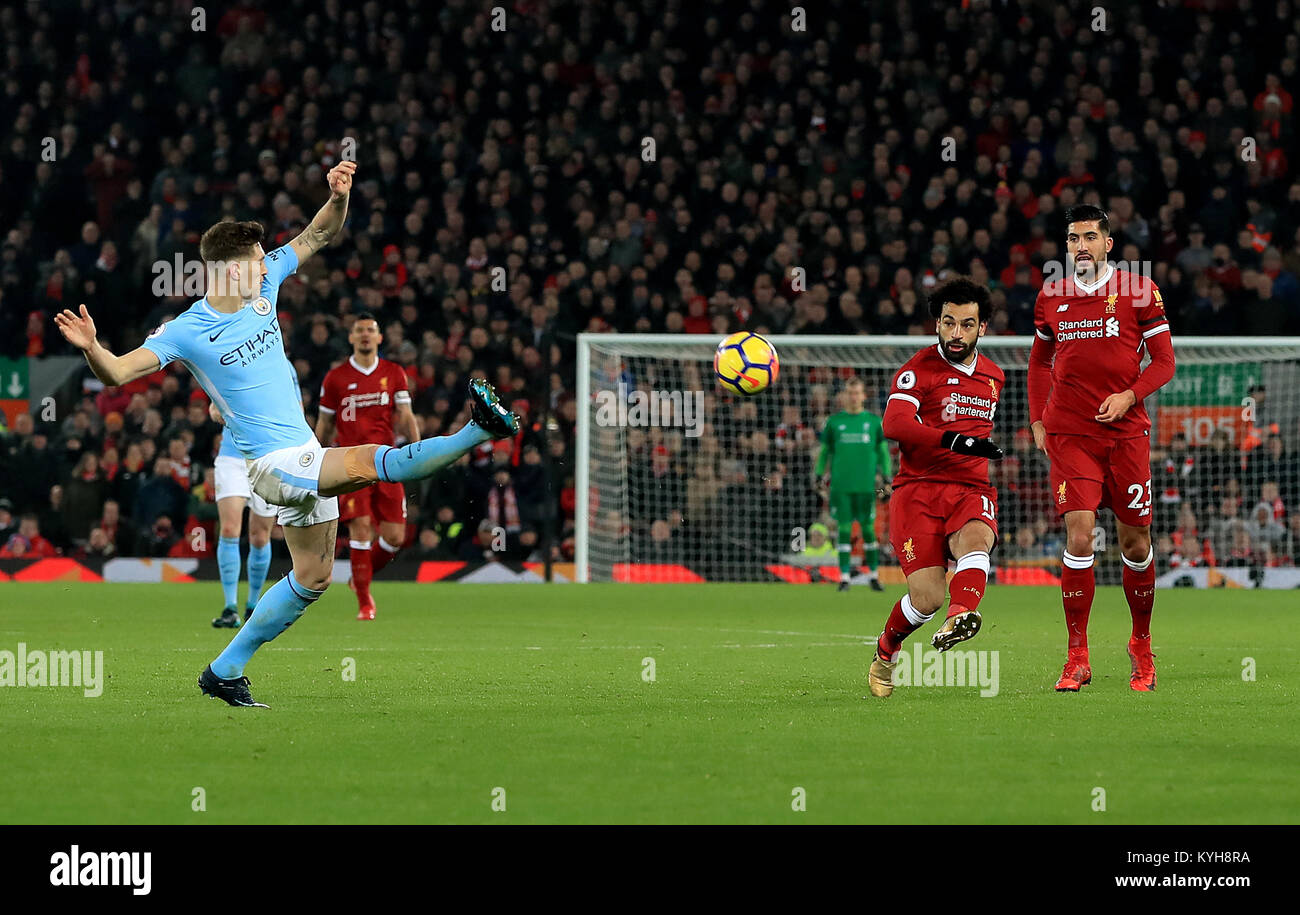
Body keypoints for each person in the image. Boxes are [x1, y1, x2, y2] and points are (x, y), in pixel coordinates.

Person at [54, 159, 519, 708]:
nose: (266, 263)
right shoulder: (187, 330)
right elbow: (119, 372)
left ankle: (224, 670)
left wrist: (340, 195)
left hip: (304, 450)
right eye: (254, 259)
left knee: (314, 576)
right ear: (230, 271)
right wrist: (92, 348)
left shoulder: (266, 279)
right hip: (272, 467)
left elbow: (319, 231)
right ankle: (478, 430)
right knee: (375, 461)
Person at [1028, 205, 1176, 692]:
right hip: (1071, 435)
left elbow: (1164, 362)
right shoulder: (1051, 296)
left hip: (1127, 435)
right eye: (1073, 239)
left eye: (1090, 237)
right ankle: (1077, 655)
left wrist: (1130, 395)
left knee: (1135, 542)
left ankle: (1140, 644)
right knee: (1078, 535)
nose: (1082, 246)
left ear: (1108, 243)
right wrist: (1036, 419)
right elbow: (1038, 363)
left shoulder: (1139, 291)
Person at [868, 277, 1005, 698]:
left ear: (982, 328)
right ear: (937, 325)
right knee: (926, 598)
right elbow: (893, 425)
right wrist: (953, 439)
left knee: (978, 540)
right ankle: (886, 650)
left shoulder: (994, 377)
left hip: (969, 487)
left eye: (966, 324)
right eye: (949, 323)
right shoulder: (917, 369)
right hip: (918, 491)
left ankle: (960, 615)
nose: (956, 333)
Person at [315, 312, 421, 620]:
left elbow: (406, 415)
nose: (364, 335)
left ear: (379, 338)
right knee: (360, 527)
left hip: (387, 461)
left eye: (370, 330)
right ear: (351, 337)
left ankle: (359, 578)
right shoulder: (334, 378)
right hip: (350, 463)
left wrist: (416, 452)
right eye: (359, 330)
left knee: (394, 538)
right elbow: (324, 422)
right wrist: (312, 459)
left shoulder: (394, 372)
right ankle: (365, 601)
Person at [814, 376, 891, 591]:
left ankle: (874, 576)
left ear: (864, 396)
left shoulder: (874, 422)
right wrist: (819, 474)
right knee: (844, 530)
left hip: (866, 487)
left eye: (857, 393)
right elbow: (825, 452)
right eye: (850, 393)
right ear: (845, 396)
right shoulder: (834, 422)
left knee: (868, 530)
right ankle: (845, 577)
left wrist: (886, 476)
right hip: (841, 486)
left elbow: (883, 452)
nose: (854, 397)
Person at [210, 399, 278, 629]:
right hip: (232, 457)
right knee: (229, 529)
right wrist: (220, 411)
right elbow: (213, 408)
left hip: (267, 459)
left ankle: (253, 606)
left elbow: (295, 409)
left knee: (260, 536)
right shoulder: (230, 363)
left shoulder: (284, 371)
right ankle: (230, 608)